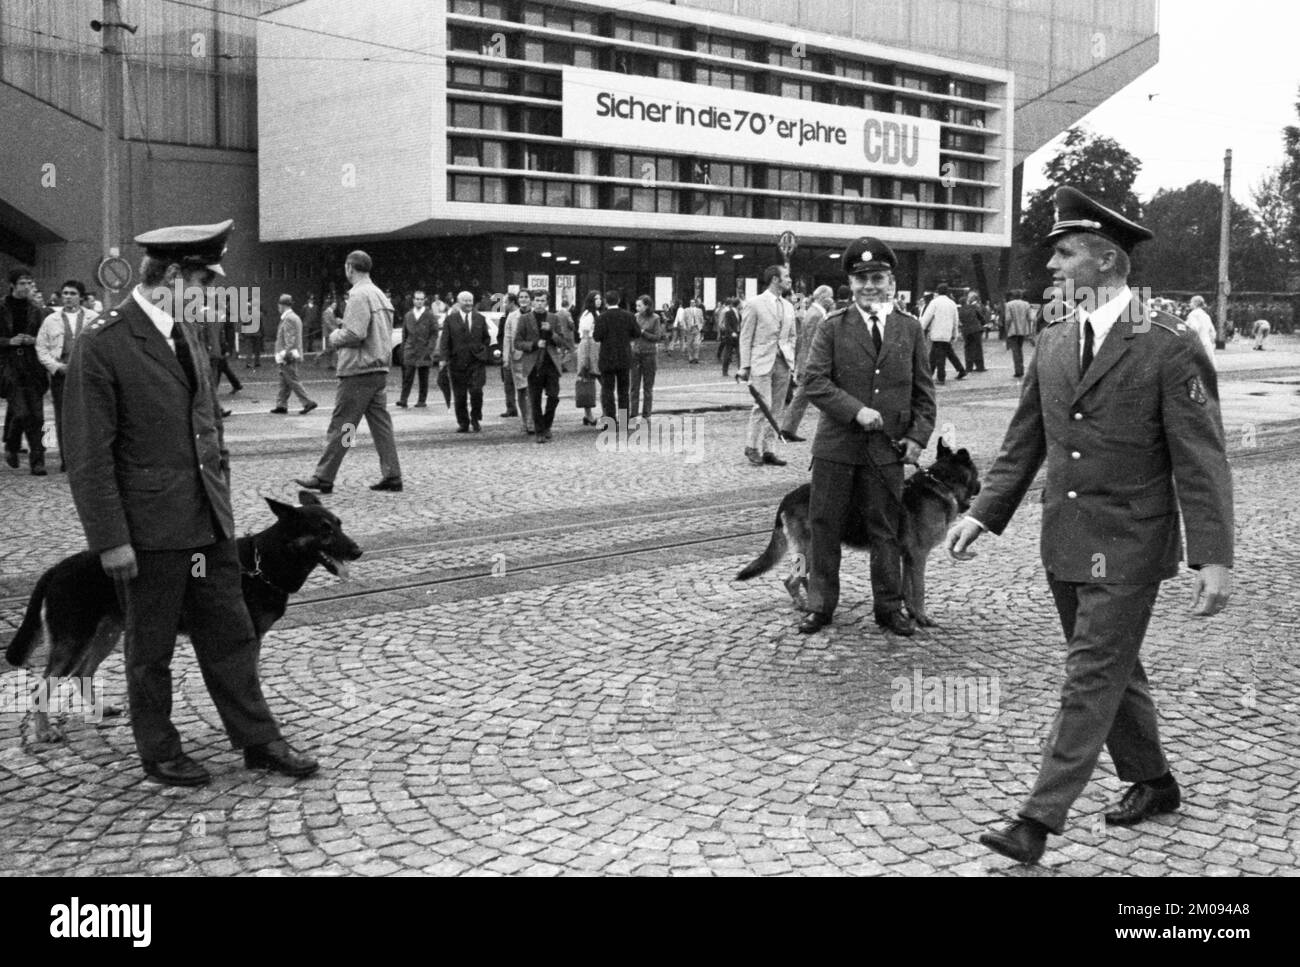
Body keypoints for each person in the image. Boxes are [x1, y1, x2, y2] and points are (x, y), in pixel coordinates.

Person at [944, 187, 1234, 865]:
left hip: (1132, 544)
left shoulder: (1168, 344)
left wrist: (1212, 554)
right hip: (1066, 540)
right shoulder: (1051, 341)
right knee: (1114, 666)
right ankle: (1154, 780)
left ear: (1106, 260)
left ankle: (1037, 820)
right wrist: (982, 514)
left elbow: (1201, 456)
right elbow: (1025, 444)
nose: (1053, 265)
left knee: (1089, 672)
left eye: (1066, 252)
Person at [63, 219, 317, 786]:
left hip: (207, 528)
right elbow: (88, 456)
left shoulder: (189, 333)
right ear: (173, 276)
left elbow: (207, 428)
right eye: (203, 283)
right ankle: (159, 751)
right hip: (150, 533)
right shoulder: (103, 343)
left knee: (232, 635)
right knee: (150, 649)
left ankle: (259, 739)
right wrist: (111, 540)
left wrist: (221, 500)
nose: (208, 295)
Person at [798, 237, 935, 637]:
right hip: (836, 448)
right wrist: (855, 410)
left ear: (891, 282)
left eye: (877, 278)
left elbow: (924, 393)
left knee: (885, 530)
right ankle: (820, 605)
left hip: (886, 451)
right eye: (861, 280)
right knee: (824, 528)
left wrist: (917, 438)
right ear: (851, 286)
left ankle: (889, 608)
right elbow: (814, 382)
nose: (869, 286)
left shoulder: (909, 330)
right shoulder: (833, 327)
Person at [296, 250, 402, 493]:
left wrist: (334, 336)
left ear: (349, 268)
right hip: (378, 371)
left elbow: (355, 334)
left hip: (357, 371)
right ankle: (392, 474)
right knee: (381, 427)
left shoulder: (358, 295)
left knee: (344, 426)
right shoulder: (380, 295)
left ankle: (324, 476)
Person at [737, 265, 797, 468]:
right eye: (786, 276)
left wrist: (790, 357)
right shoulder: (754, 304)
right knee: (763, 406)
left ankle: (769, 449)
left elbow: (792, 335)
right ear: (774, 279)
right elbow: (745, 337)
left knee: (778, 408)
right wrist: (745, 366)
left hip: (783, 363)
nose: (790, 280)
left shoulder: (788, 306)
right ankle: (751, 446)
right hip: (761, 362)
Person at [36, 279, 98, 472]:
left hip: (87, 375)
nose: (68, 297)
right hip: (62, 376)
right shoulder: (51, 320)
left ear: (81, 297)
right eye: (65, 294)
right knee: (63, 418)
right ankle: (67, 459)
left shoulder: (94, 318)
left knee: (87, 417)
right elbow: (42, 347)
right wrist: (55, 366)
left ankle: (86, 458)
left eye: (72, 294)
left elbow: (102, 346)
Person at [0, 267, 50, 474]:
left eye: (29, 283)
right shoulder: (1, 308)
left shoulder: (38, 310)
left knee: (37, 415)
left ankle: (37, 461)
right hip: (8, 365)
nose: (27, 287)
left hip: (32, 365)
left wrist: (34, 340)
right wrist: (9, 341)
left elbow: (47, 337)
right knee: (21, 412)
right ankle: (13, 446)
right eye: (22, 283)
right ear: (12, 285)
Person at [515, 289, 574, 443]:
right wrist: (534, 344)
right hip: (534, 364)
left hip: (551, 363)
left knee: (553, 396)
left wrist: (551, 332)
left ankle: (547, 424)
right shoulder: (524, 319)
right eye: (537, 300)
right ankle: (539, 431)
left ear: (547, 302)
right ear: (532, 302)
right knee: (535, 399)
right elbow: (518, 342)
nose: (539, 303)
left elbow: (562, 341)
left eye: (542, 301)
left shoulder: (553, 318)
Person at [780, 284, 834, 444]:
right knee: (803, 397)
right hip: (812, 363)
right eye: (830, 296)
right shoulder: (816, 314)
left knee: (802, 398)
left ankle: (788, 429)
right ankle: (787, 430)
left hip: (811, 362)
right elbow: (810, 341)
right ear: (822, 297)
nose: (832, 300)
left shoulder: (815, 312)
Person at [436, 290, 491, 432]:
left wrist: (483, 352)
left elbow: (486, 338)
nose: (468, 303)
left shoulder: (480, 318)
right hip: (457, 363)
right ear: (459, 302)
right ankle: (463, 422)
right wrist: (443, 359)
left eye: (470, 300)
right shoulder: (450, 320)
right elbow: (445, 341)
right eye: (465, 300)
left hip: (476, 362)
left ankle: (475, 418)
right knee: (460, 395)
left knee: (477, 391)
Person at [593, 289, 640, 424]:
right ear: (619, 300)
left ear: (606, 302)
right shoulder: (629, 316)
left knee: (607, 391)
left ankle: (610, 421)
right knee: (623, 391)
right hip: (624, 357)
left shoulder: (601, 317)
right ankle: (624, 421)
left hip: (607, 358)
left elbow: (597, 337)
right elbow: (637, 333)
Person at [270, 294, 317, 415]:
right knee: (284, 380)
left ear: (282, 305)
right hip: (291, 354)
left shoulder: (289, 318)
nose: (278, 307)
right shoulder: (294, 317)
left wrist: (284, 354)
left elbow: (290, 339)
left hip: (288, 355)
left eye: (279, 305)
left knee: (292, 379)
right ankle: (281, 404)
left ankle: (307, 402)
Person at [630, 294, 668, 423]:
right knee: (634, 386)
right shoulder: (635, 317)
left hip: (649, 354)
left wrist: (642, 332)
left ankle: (646, 414)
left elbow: (657, 337)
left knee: (648, 386)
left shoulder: (655, 318)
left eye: (639, 305)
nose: (637, 308)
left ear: (646, 306)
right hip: (636, 353)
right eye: (636, 305)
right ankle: (633, 414)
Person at [397, 290, 437, 408]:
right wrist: (404, 349)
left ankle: (421, 400)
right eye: (417, 299)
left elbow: (434, 333)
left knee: (423, 377)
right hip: (410, 350)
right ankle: (403, 399)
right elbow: (405, 334)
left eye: (421, 299)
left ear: (424, 300)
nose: (419, 301)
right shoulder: (408, 315)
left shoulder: (429, 315)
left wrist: (429, 349)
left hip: (424, 350)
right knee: (407, 376)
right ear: (413, 300)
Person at [502, 290, 535, 433]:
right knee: (521, 391)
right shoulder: (511, 316)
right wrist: (505, 357)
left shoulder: (536, 314)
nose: (523, 299)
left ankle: (531, 420)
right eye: (521, 297)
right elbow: (507, 337)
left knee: (532, 390)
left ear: (531, 299)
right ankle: (524, 419)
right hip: (517, 358)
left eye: (526, 297)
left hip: (533, 357)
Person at [919, 283, 965, 384]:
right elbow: (955, 320)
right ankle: (960, 370)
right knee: (939, 354)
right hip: (947, 333)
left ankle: (940, 377)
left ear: (937, 291)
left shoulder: (934, 303)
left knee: (939, 356)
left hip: (936, 333)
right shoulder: (952, 303)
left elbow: (927, 317)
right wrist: (954, 334)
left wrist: (921, 328)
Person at [577, 290, 603, 427]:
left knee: (596, 381)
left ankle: (591, 414)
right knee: (588, 381)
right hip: (589, 347)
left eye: (600, 298)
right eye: (596, 299)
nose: (599, 301)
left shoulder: (597, 314)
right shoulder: (588, 315)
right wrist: (585, 359)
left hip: (596, 347)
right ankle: (589, 414)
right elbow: (586, 336)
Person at [1002, 289, 1034, 379]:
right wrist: (1030, 331)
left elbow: (1008, 319)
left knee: (1015, 351)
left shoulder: (1009, 305)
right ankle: (1021, 368)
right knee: (1019, 350)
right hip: (1023, 329)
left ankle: (1018, 370)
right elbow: (1030, 318)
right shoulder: (1026, 304)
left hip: (1012, 330)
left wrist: (1006, 330)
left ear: (1012, 296)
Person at [958, 290, 989, 373]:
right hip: (976, 330)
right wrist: (983, 323)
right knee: (978, 348)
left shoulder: (960, 311)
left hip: (966, 331)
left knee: (968, 349)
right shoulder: (973, 307)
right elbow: (980, 316)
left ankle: (969, 367)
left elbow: (960, 322)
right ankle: (980, 367)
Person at [1185, 295, 1217, 365]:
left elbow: (1194, 328)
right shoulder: (1206, 315)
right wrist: (1212, 342)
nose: (1190, 304)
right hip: (1207, 343)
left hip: (1197, 343)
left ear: (1195, 304)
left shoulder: (1193, 314)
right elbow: (1212, 332)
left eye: (1191, 302)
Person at [717, 297, 741, 377]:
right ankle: (725, 371)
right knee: (727, 354)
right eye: (740, 303)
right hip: (730, 337)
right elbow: (727, 325)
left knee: (740, 353)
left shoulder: (739, 313)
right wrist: (732, 332)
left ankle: (741, 371)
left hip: (738, 335)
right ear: (738, 304)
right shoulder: (729, 313)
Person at [678, 298, 705, 364]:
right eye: (691, 302)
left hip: (697, 328)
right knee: (689, 344)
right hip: (689, 329)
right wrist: (685, 327)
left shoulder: (699, 310)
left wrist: (700, 327)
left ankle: (696, 357)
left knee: (697, 344)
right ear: (690, 303)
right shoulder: (686, 310)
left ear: (695, 303)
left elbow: (702, 319)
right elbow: (683, 319)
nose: (692, 303)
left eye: (693, 302)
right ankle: (690, 357)